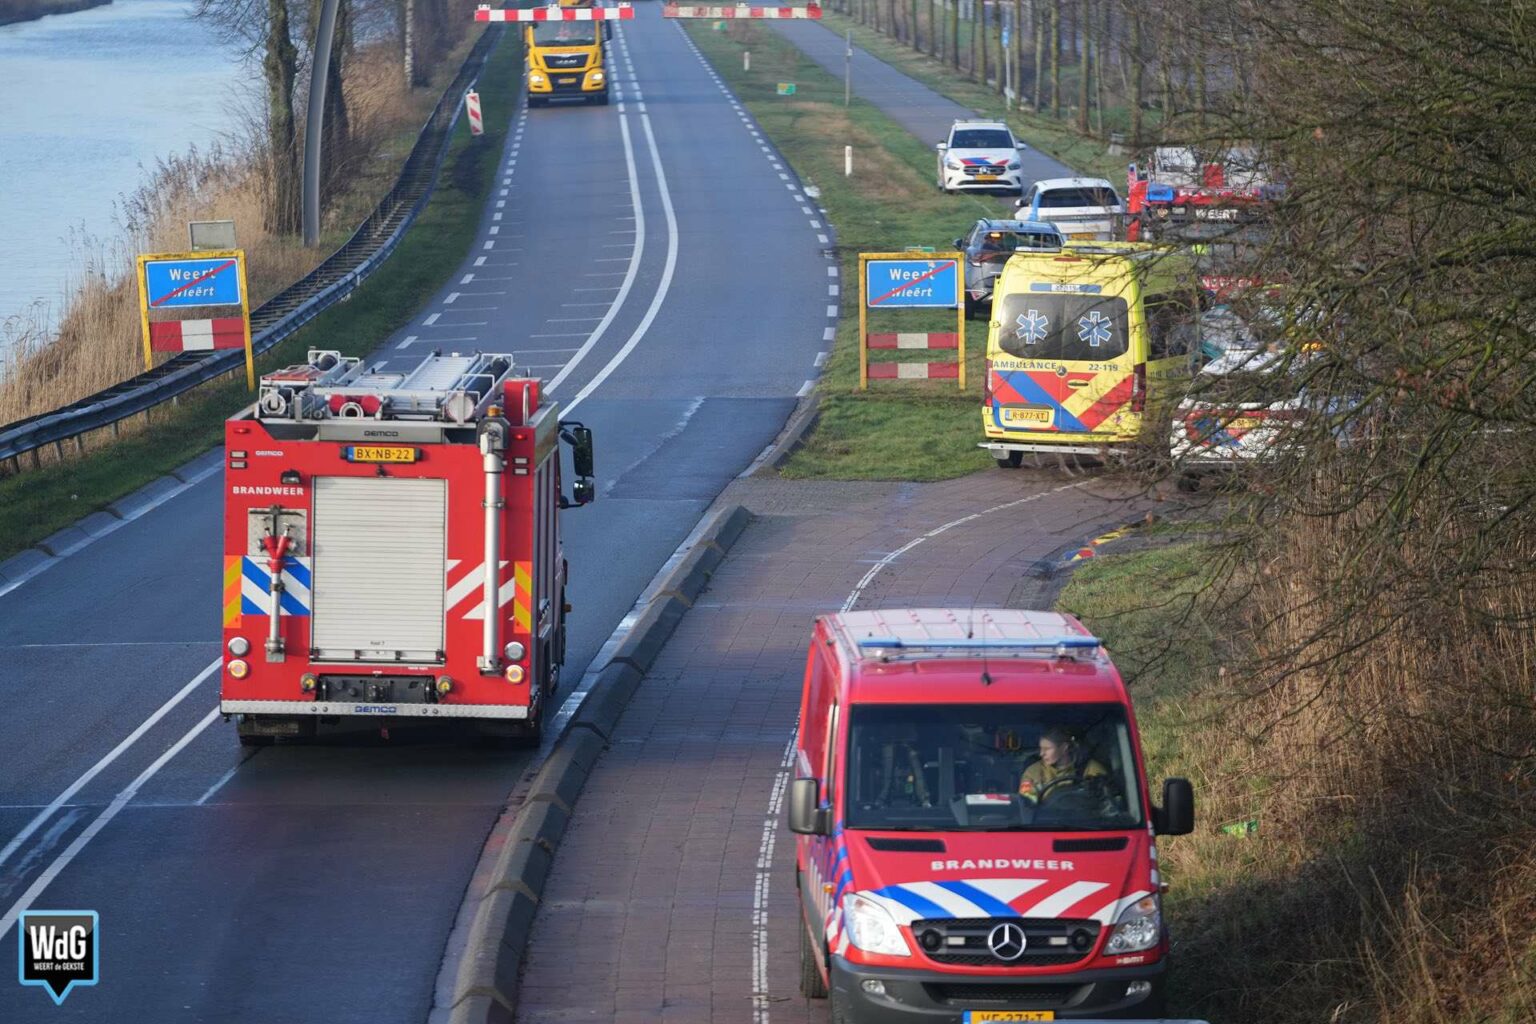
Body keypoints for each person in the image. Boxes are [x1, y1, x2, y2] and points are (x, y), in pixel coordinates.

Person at [1018, 726, 1107, 803]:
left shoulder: (1092, 769)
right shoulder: (1033, 772)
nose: (1041, 754)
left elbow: (1106, 801)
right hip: (1045, 820)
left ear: (1064, 747)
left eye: (1047, 749)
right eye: (1041, 749)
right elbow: (1026, 804)